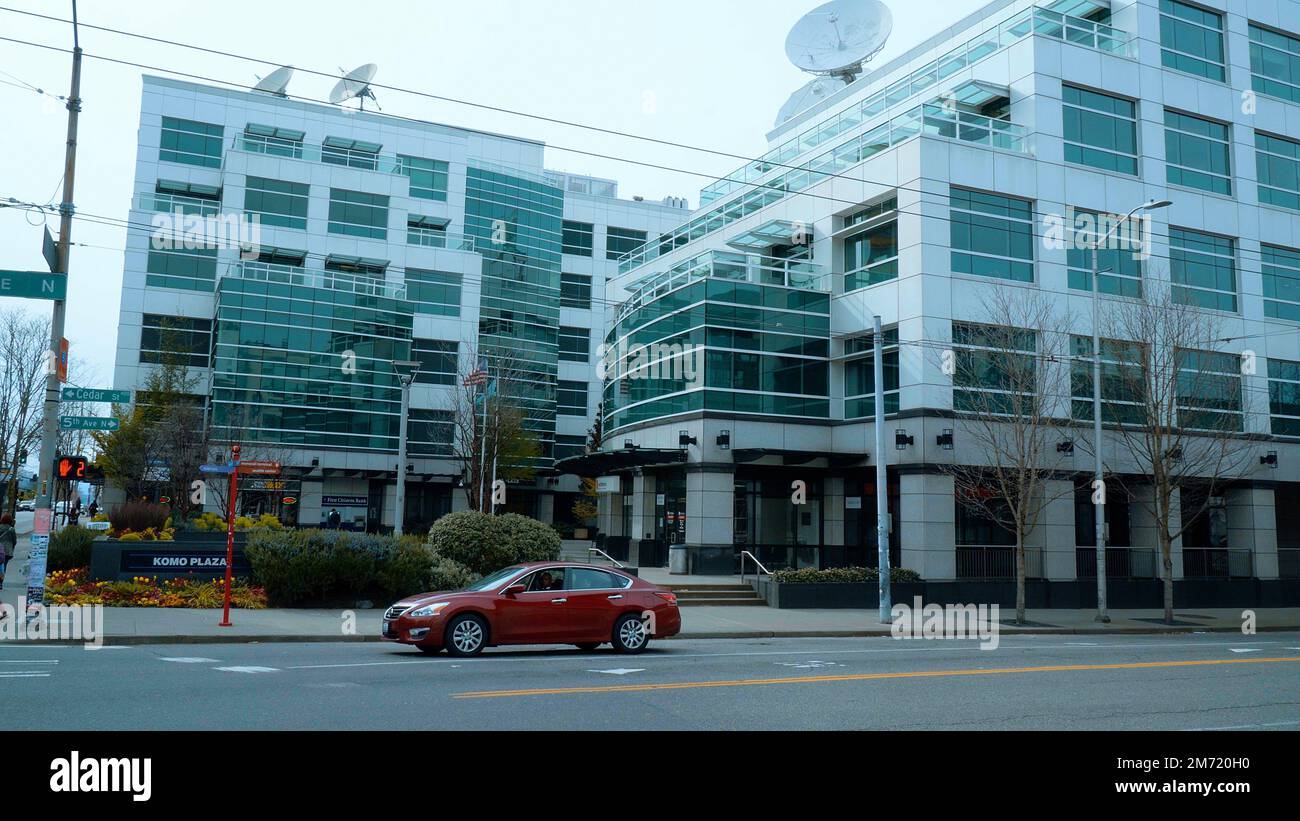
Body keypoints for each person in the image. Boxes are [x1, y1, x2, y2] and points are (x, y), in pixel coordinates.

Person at [0, 514, 15, 591]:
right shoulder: (11, 529)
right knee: (3, 567)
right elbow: (14, 541)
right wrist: (12, 549)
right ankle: (0, 583)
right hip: (7, 551)